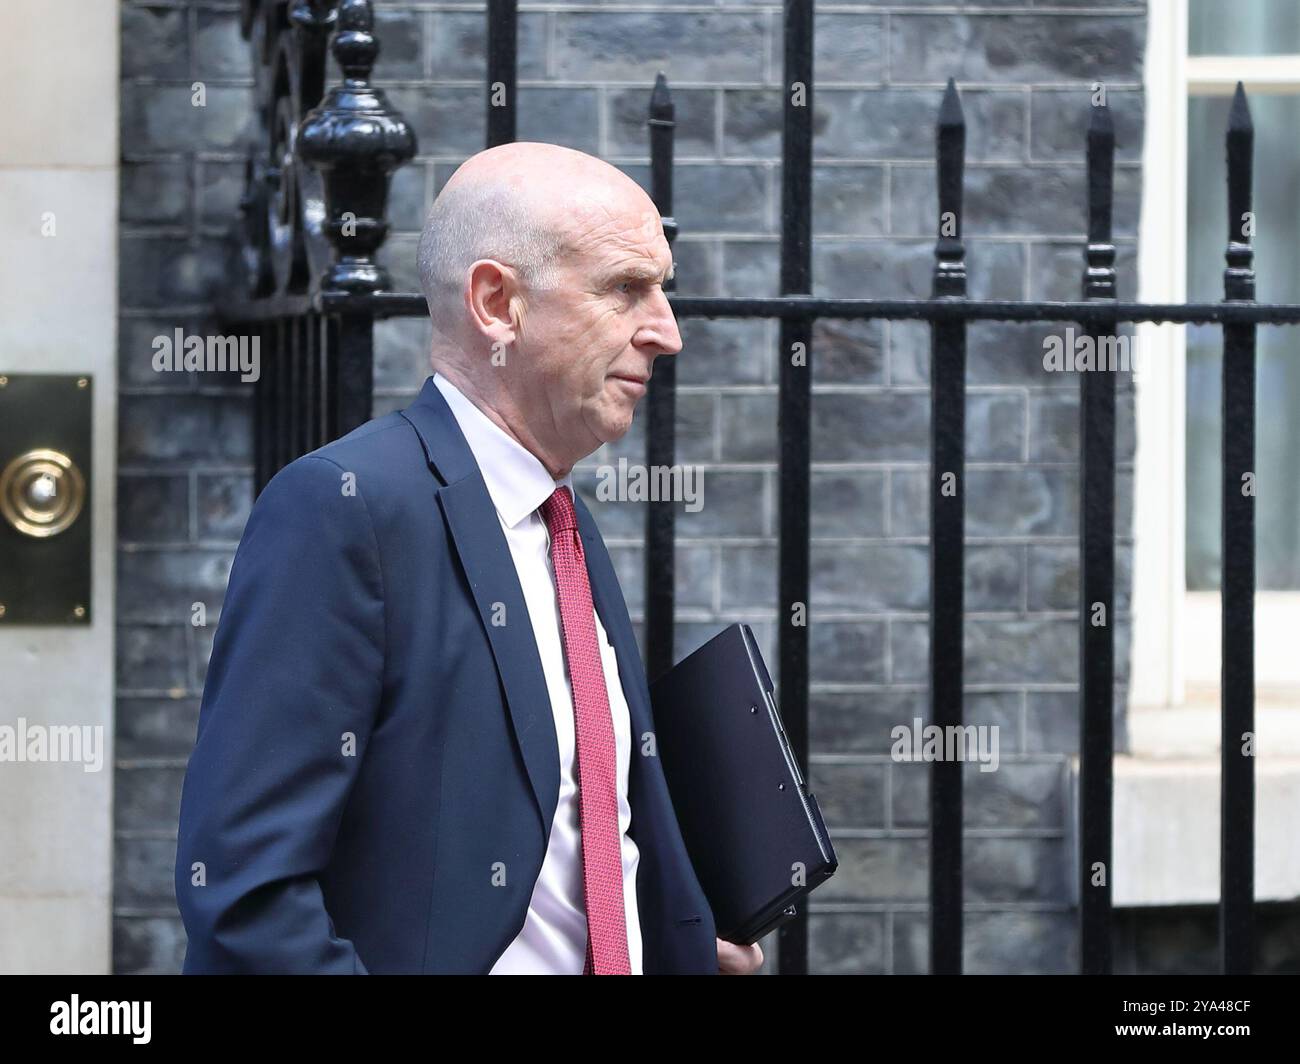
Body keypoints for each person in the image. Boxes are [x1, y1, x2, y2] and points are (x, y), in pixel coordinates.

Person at [175, 142, 764, 975]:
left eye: (663, 289)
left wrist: (663, 943)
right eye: (627, 288)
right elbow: (246, 897)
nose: (667, 332)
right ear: (497, 302)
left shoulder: (562, 520)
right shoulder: (343, 509)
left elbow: (566, 838)